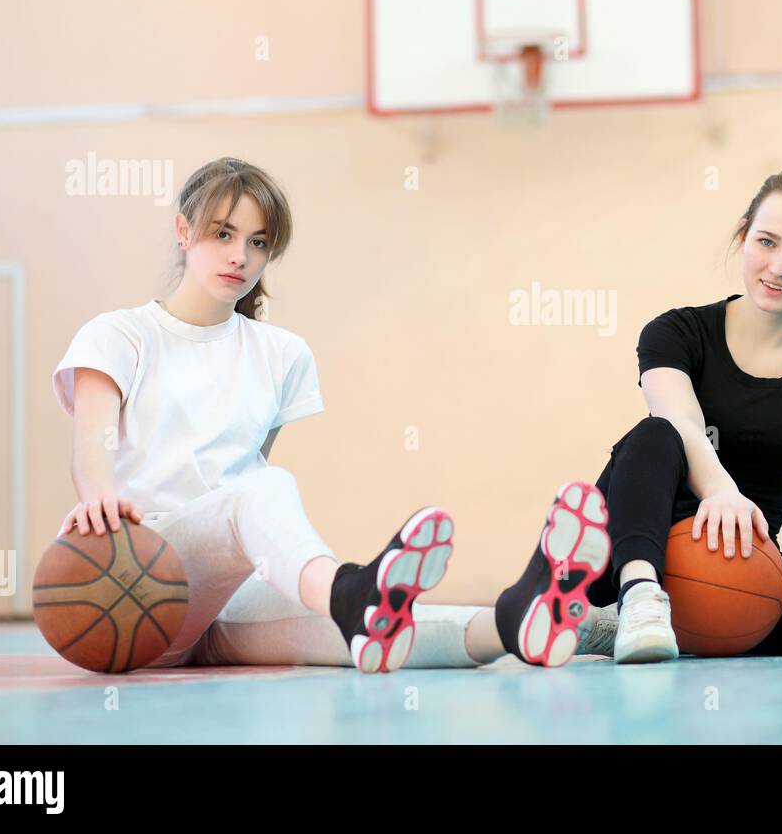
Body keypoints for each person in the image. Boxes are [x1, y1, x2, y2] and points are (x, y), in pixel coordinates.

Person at [50, 157, 611, 673]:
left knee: (367, 632)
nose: (240, 255)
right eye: (223, 234)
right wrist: (99, 494)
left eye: (258, 242)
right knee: (266, 490)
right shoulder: (119, 335)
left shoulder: (281, 354)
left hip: (221, 595)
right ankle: (348, 590)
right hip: (129, 572)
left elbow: (241, 485)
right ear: (182, 231)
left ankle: (510, 622)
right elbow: (92, 447)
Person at [576, 170, 782, 663]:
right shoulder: (675, 333)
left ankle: (687, 624)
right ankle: (637, 599)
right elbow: (682, 423)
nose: (778, 267)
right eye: (767, 242)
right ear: (743, 236)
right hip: (631, 545)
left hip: (736, 566)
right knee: (655, 434)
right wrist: (721, 492)